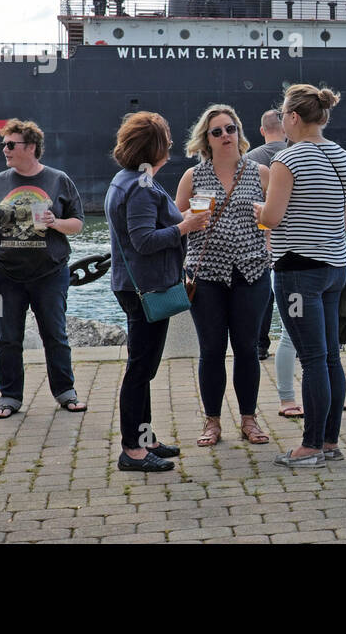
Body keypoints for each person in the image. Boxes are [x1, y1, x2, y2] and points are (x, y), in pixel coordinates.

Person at [256, 84, 346, 467]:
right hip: (335, 267)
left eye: (283, 115)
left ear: (294, 117)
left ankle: (311, 446)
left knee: (313, 359)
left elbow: (272, 218)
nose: (282, 121)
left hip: (298, 272)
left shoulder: (287, 160)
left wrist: (256, 208)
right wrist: (321, 222)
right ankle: (330, 442)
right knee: (331, 357)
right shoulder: (344, 156)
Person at [106, 111, 210, 472]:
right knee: (140, 368)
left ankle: (145, 437)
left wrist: (182, 221)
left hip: (134, 283)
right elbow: (144, 240)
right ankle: (132, 450)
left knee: (145, 366)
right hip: (145, 288)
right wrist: (186, 226)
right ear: (156, 148)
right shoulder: (140, 186)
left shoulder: (127, 179)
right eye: (165, 138)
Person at [175, 104, 272, 447]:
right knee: (212, 349)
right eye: (217, 131)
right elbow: (175, 221)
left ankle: (249, 419)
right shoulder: (193, 176)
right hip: (206, 275)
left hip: (252, 270)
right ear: (207, 138)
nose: (225, 135)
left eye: (230, 129)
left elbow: (276, 216)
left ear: (239, 132)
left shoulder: (260, 172)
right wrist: (191, 217)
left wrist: (268, 240)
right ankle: (212, 421)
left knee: (247, 348)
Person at [0, 119, 86, 419]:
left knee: (55, 333)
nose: (5, 149)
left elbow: (77, 223)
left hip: (50, 274)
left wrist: (55, 222)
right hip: (5, 277)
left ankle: (65, 391)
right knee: (7, 337)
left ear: (31, 147)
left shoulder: (59, 180)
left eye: (11, 144)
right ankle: (9, 397)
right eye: (4, 144)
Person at [246, 108, 287, 362]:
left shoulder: (249, 160)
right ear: (285, 128)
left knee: (264, 294)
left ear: (262, 130)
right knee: (291, 291)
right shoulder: (293, 154)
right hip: (291, 236)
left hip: (260, 239)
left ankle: (260, 345)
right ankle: (294, 342)